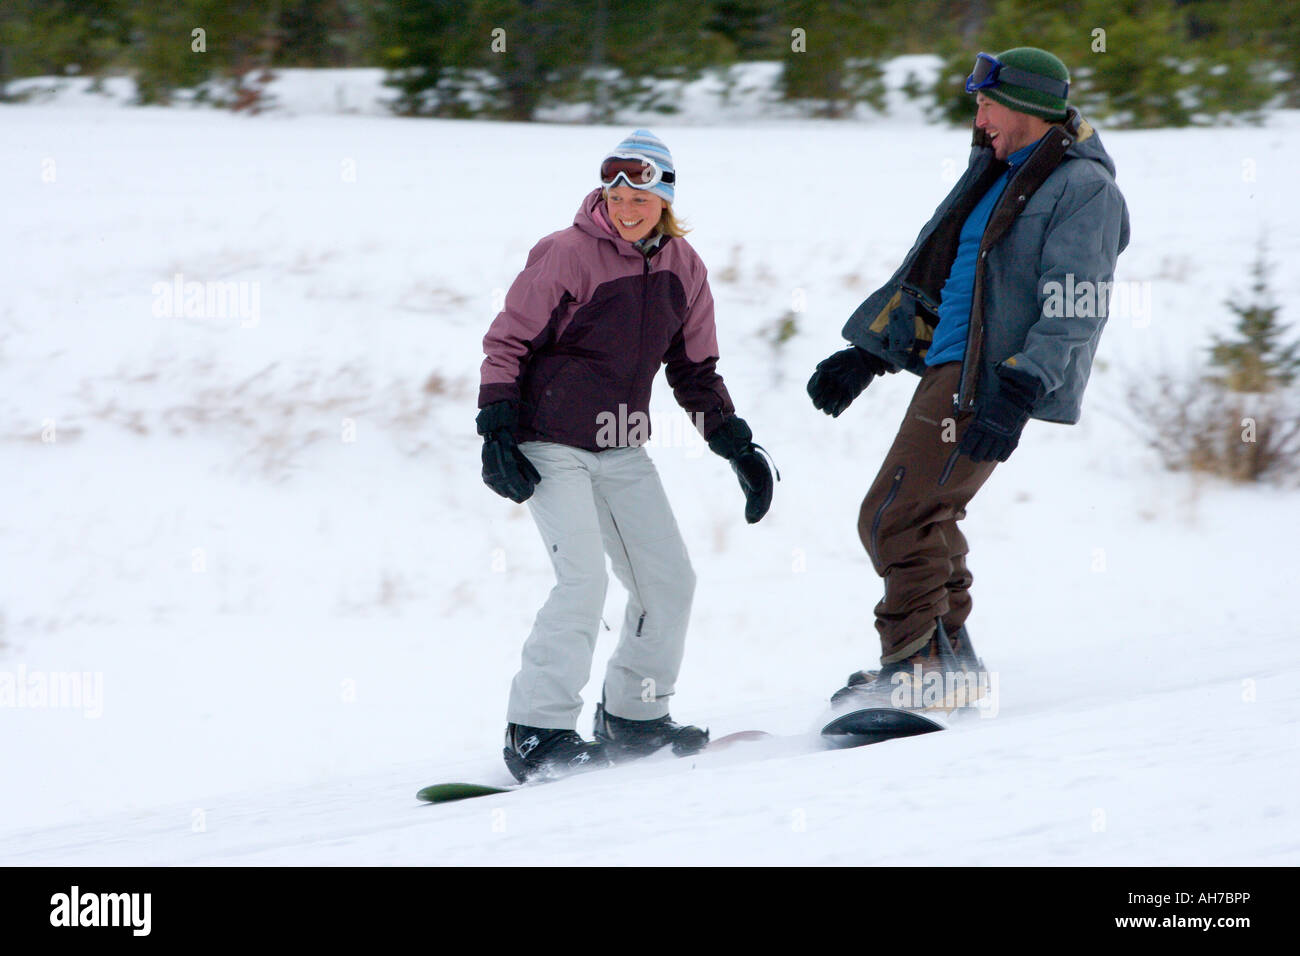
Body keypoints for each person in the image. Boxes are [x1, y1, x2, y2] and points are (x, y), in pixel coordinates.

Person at [807, 48, 1130, 711]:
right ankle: (949, 660)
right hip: (948, 366)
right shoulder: (996, 175)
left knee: (894, 515)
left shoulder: (1083, 189)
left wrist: (1019, 389)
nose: (977, 116)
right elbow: (932, 274)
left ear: (1029, 107)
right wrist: (868, 355)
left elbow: (1076, 305)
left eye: (987, 103)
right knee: (928, 512)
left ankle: (917, 667)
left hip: (987, 376)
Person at [477, 129, 775, 782]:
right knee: (582, 582)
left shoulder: (683, 268)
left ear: (664, 197)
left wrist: (737, 447)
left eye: (640, 191)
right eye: (616, 190)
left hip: (622, 447)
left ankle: (634, 719)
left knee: (668, 582)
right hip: (550, 440)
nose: (626, 203)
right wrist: (495, 429)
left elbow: (694, 371)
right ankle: (537, 732)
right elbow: (506, 343)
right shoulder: (565, 254)